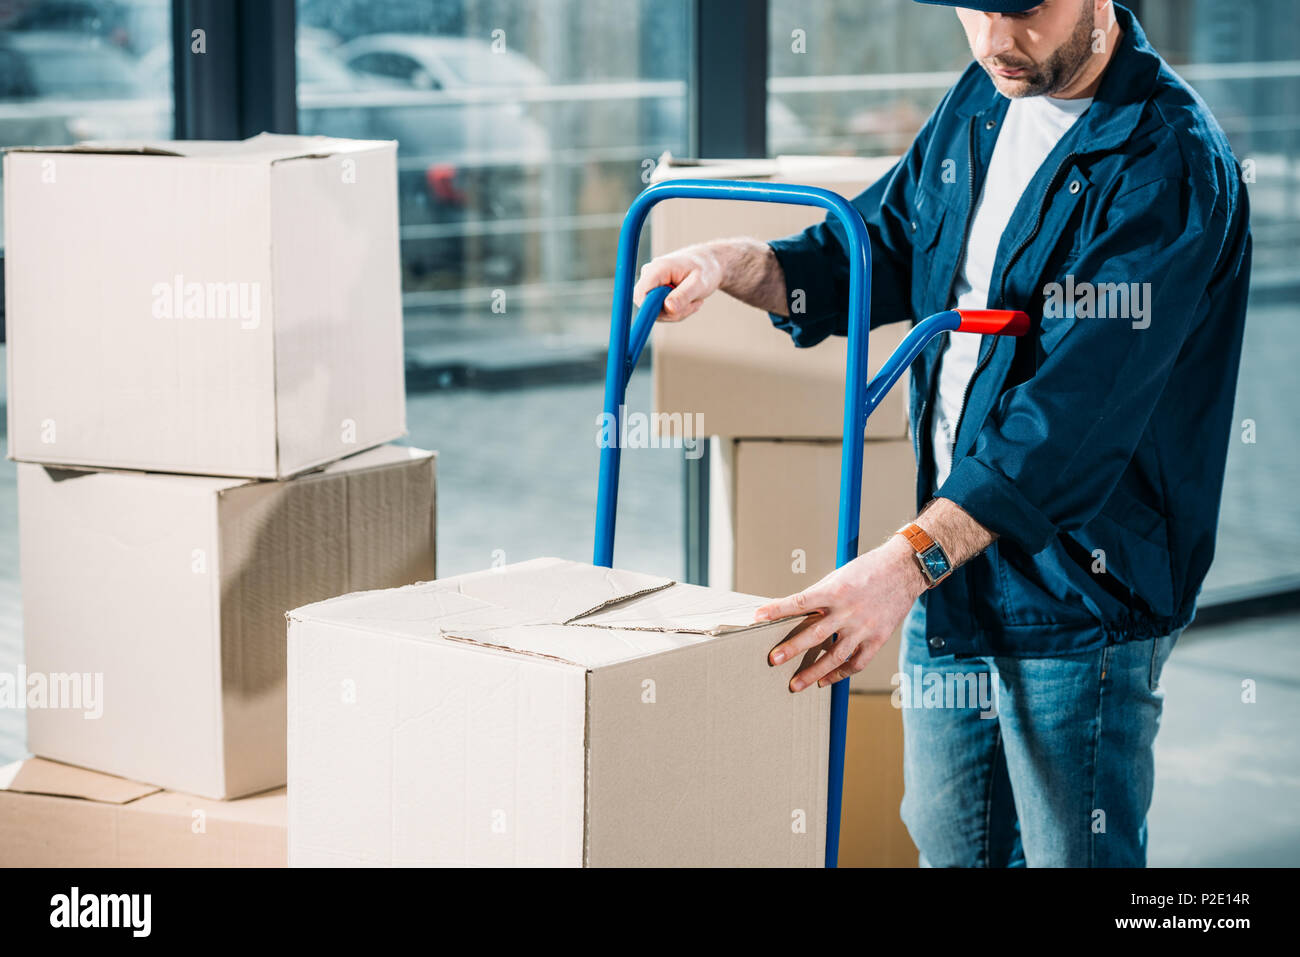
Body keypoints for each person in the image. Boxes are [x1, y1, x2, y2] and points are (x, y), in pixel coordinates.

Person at [631, 0, 1251, 867]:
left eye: (1026, 11)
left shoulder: (1167, 163)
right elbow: (885, 248)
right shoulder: (987, 95)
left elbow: (1067, 425)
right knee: (951, 848)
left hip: (1083, 600)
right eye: (975, 10)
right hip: (953, 574)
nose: (997, 39)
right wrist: (740, 265)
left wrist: (902, 564)